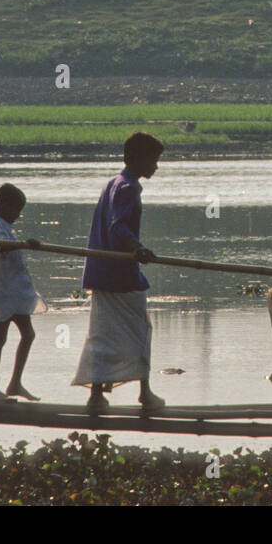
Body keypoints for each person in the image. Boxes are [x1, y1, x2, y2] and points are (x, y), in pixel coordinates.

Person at [72, 131, 165, 412]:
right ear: (137, 159)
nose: (156, 166)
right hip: (119, 273)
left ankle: (97, 394)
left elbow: (114, 224)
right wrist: (137, 247)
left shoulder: (114, 183)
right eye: (153, 160)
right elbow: (117, 225)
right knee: (140, 330)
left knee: (103, 333)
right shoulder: (128, 187)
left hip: (102, 272)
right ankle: (145, 393)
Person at [0, 183, 47, 403]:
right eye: (16, 210)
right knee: (0, 338)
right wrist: (25, 244)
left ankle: (14, 383)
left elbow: (8, 246)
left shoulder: (3, 225)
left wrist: (24, 244)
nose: (18, 215)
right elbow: (2, 247)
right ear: (3, 206)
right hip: (4, 292)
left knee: (28, 335)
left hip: (14, 292)